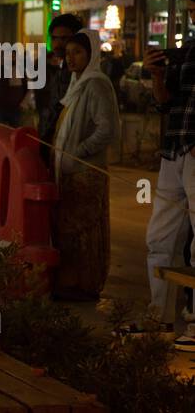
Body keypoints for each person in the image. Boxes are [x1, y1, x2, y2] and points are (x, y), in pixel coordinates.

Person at [144, 0, 195, 348]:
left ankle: (193, 324)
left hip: (192, 150)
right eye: (191, 11)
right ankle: (158, 317)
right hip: (175, 149)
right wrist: (158, 75)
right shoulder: (186, 51)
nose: (194, 17)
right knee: (160, 237)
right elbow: (165, 103)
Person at [51, 30, 120, 301]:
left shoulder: (96, 84)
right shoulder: (77, 84)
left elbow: (108, 130)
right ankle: (72, 282)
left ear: (91, 54)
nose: (71, 59)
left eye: (77, 52)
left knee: (85, 230)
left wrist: (77, 153)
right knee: (68, 229)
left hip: (85, 171)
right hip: (70, 170)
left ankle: (84, 286)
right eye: (68, 54)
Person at [37, 13, 82, 165]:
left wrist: (78, 151)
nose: (57, 44)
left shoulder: (83, 75)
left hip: (71, 153)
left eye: (64, 39)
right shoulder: (60, 69)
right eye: (54, 38)